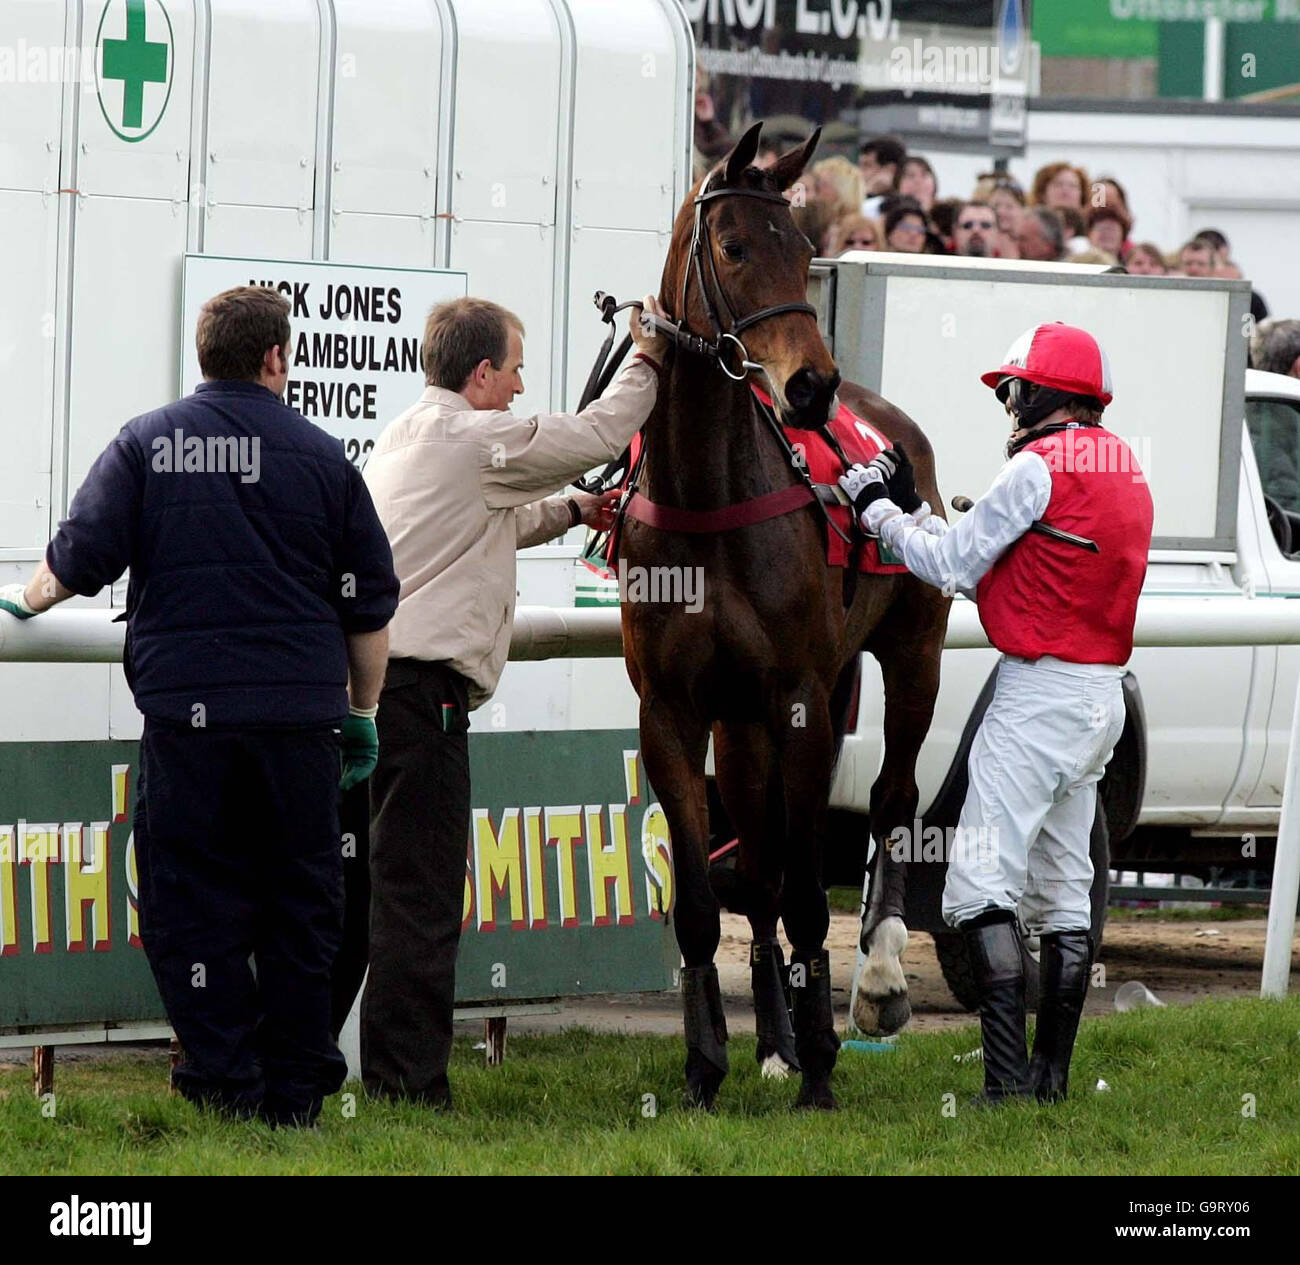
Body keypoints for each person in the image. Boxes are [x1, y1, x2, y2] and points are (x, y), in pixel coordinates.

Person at [0, 286, 400, 1127]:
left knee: (191, 909)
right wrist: (362, 713)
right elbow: (368, 614)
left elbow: (72, 563)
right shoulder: (328, 460)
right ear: (276, 359)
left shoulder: (146, 444)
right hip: (302, 731)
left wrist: (24, 603)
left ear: (204, 354)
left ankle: (224, 1080)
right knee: (303, 910)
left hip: (190, 726)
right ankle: (294, 1096)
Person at [356, 295, 667, 1107]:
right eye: (517, 370)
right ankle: (408, 1086)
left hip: (366, 695)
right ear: (482, 372)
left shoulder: (405, 436)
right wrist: (650, 354)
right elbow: (599, 434)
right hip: (425, 703)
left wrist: (570, 512)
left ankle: (308, 1072)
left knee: (359, 894)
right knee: (419, 898)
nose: (524, 388)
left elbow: (484, 518)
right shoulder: (479, 437)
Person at [838, 322, 1153, 1104]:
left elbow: (950, 567)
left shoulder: (1036, 467)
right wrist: (916, 504)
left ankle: (1004, 1083)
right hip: (1101, 698)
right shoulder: (1125, 468)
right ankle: (1049, 1081)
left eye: (1012, 388)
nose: (1007, 403)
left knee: (977, 888)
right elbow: (1019, 573)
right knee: (1065, 891)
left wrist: (878, 509)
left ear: (1045, 392)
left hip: (1037, 699)